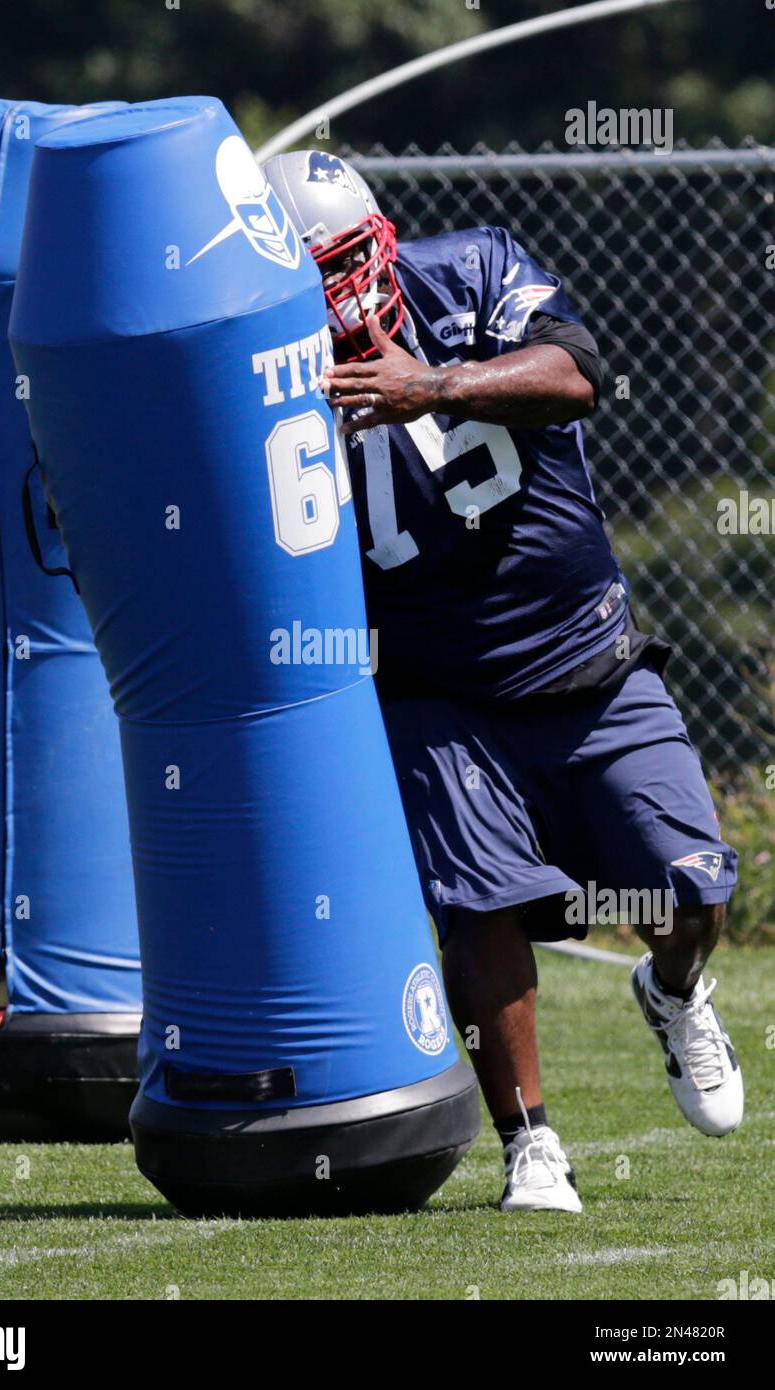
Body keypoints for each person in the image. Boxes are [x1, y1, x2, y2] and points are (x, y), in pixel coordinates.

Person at [262, 149, 743, 1213]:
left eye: (348, 260)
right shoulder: (260, 374)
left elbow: (578, 372)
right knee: (480, 906)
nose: (340, 293)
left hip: (587, 661)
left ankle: (672, 990)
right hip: (438, 692)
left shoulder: (472, 271)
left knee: (693, 889)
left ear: (383, 242)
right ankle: (532, 1143)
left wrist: (425, 386)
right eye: (311, 273)